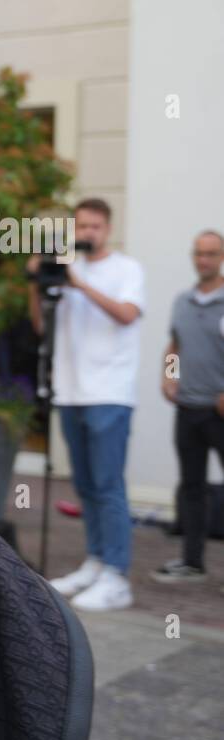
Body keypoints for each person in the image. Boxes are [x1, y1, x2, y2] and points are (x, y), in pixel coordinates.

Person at [28, 199, 145, 611]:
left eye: (95, 226)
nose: (88, 233)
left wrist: (81, 285)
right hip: (71, 391)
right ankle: (96, 561)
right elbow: (41, 327)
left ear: (108, 229)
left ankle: (117, 575)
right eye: (82, 226)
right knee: (86, 484)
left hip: (109, 393)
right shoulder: (65, 271)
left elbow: (128, 314)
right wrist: (38, 280)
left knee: (108, 484)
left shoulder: (126, 269)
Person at [156, 230, 224, 584]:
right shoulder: (183, 301)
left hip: (220, 411)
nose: (204, 260)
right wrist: (169, 377)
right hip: (189, 409)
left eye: (211, 254)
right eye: (199, 253)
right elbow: (175, 344)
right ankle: (192, 561)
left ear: (222, 256)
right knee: (192, 486)